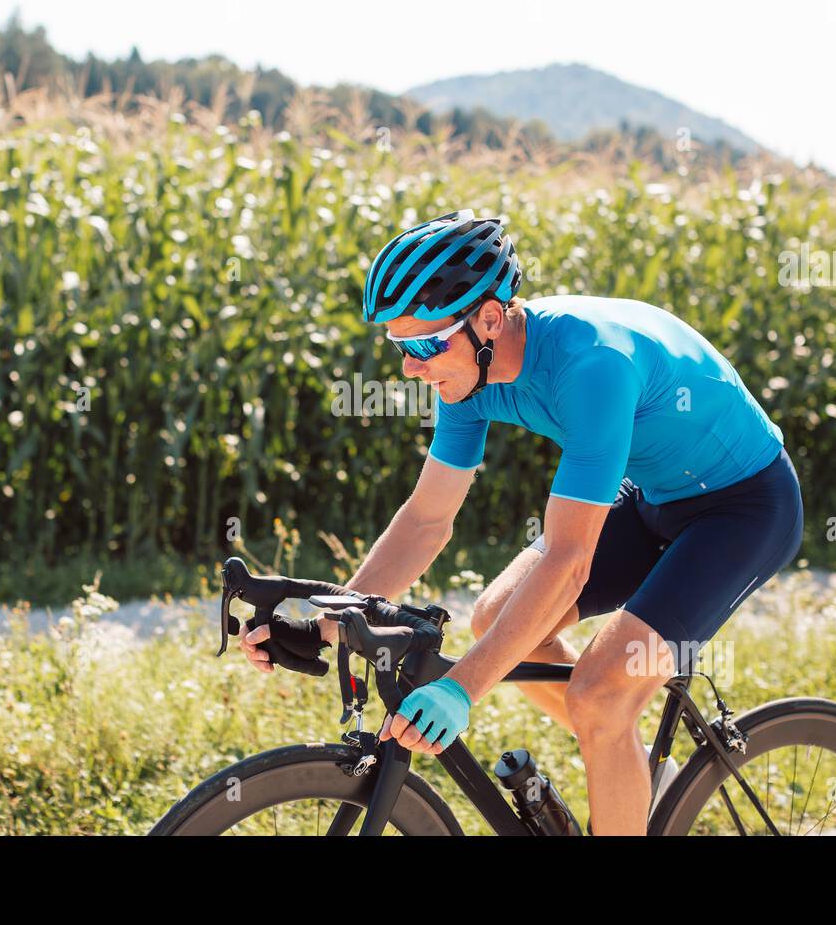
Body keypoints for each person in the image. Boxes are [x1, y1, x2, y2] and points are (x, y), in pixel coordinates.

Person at [240, 209, 804, 835]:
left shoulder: (591, 365)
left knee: (598, 692)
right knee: (497, 621)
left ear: (488, 319)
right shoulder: (467, 375)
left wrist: (462, 689)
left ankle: (611, 731)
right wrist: (330, 621)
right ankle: (630, 760)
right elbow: (428, 519)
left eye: (426, 344)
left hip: (744, 508)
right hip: (654, 498)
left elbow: (569, 562)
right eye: (401, 347)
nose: (411, 368)